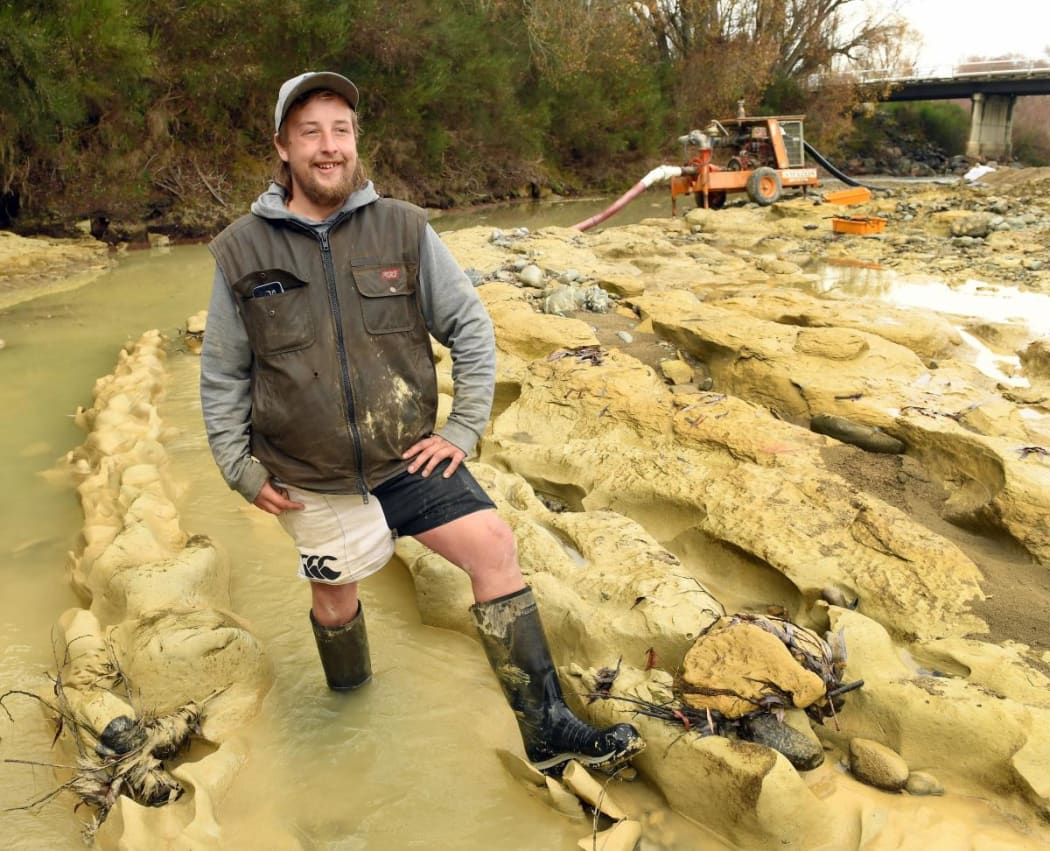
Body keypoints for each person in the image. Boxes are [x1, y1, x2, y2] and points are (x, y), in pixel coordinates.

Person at [199, 71, 644, 775]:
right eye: (310, 131)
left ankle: (547, 728)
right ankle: (351, 703)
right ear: (282, 145)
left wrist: (463, 428)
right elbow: (223, 372)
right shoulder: (242, 250)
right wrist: (239, 468)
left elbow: (468, 324)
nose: (328, 146)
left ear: (355, 141)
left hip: (408, 455)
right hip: (306, 470)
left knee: (494, 543)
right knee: (335, 597)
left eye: (341, 129)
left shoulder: (403, 227)